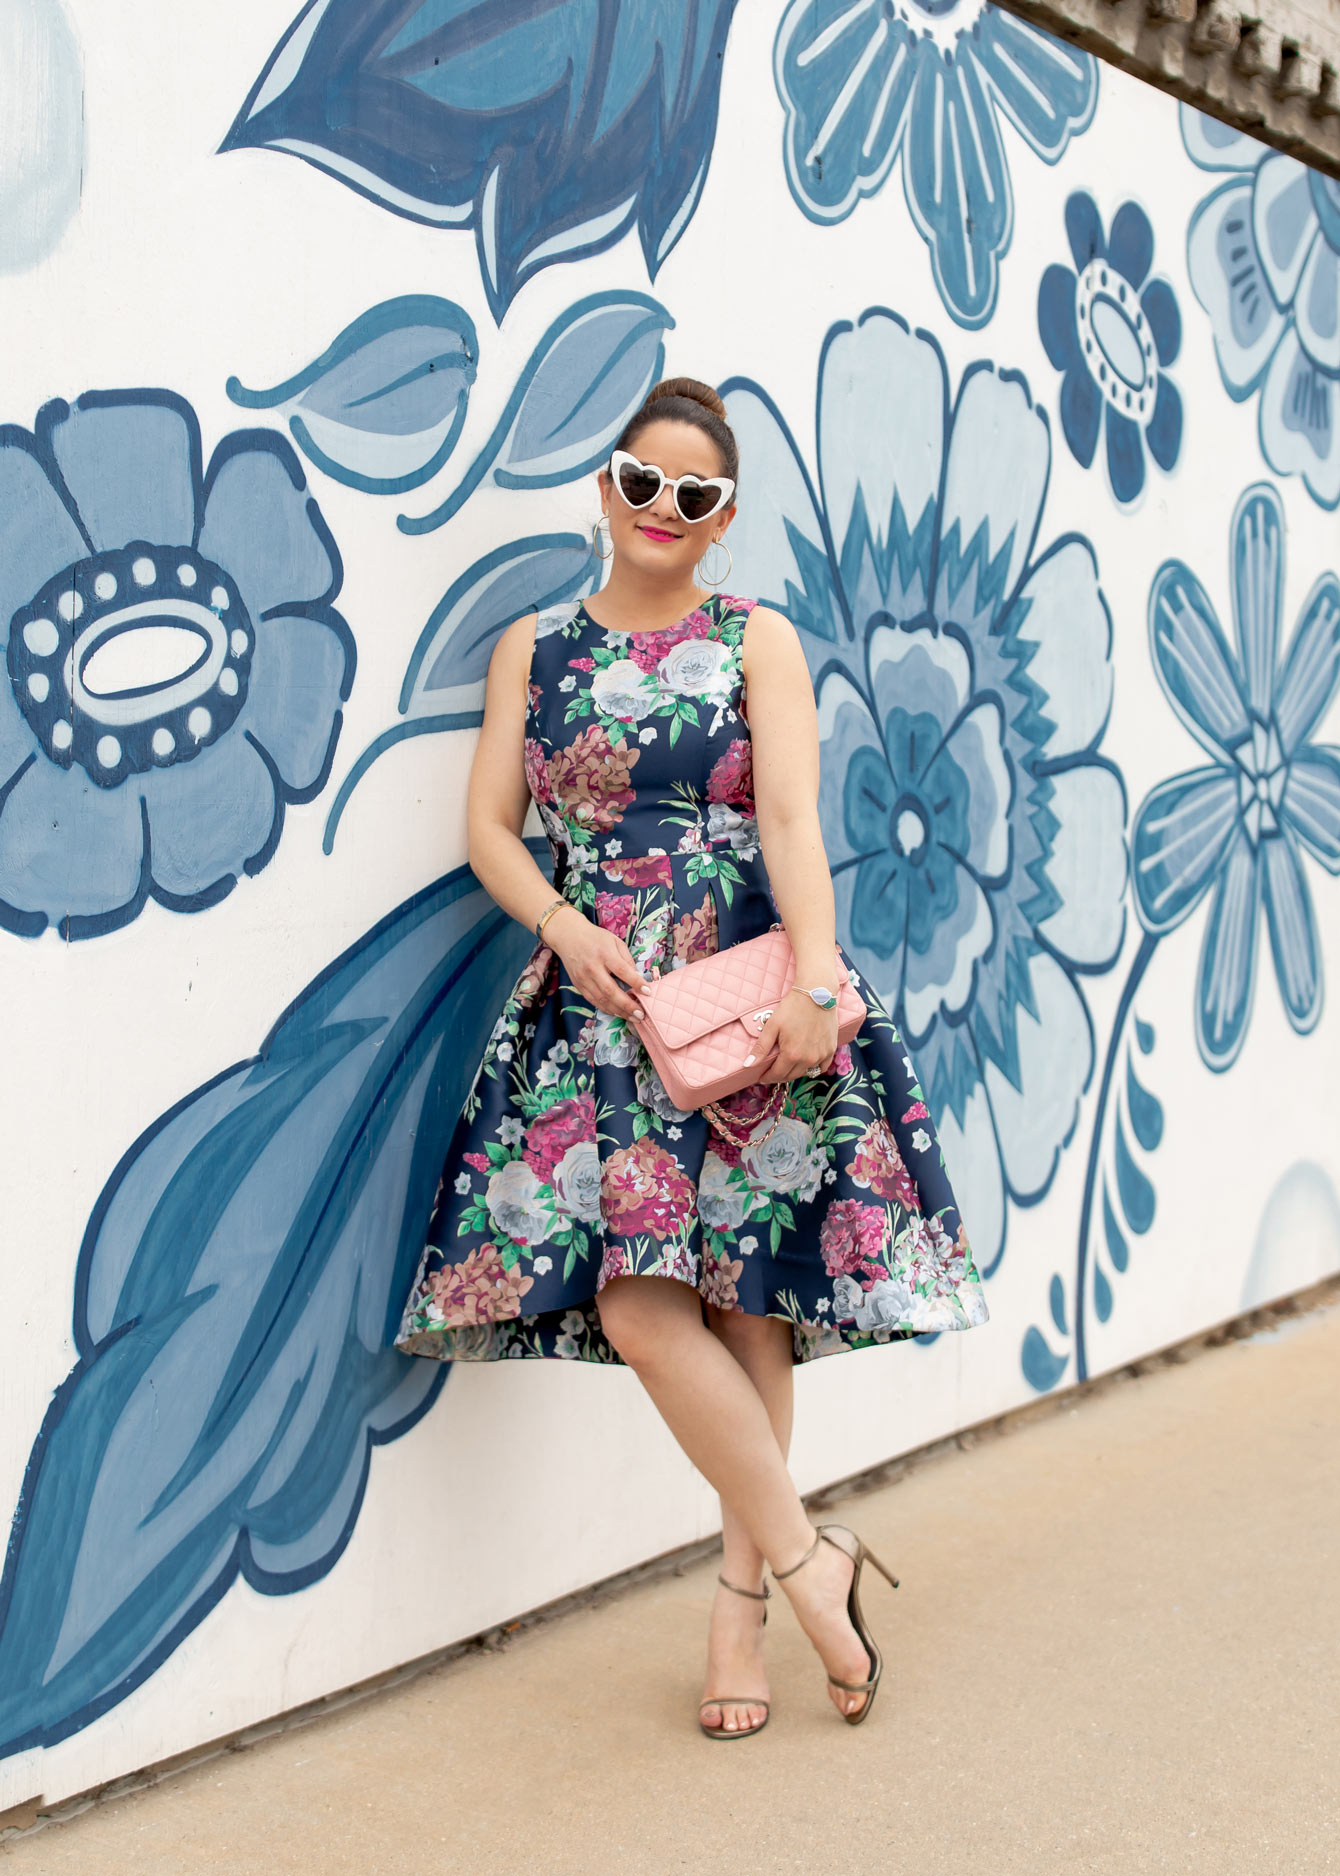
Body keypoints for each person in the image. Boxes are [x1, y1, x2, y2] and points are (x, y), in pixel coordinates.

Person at [396, 377, 989, 1738]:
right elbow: (493, 824)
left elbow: (788, 815)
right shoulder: (531, 651)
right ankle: (813, 1562)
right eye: (644, 483)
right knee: (639, 1300)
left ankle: (742, 1612)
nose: (666, 509)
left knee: (745, 1295)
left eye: (697, 496)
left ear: (721, 523)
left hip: (745, 986)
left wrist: (820, 983)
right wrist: (557, 920)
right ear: (607, 491)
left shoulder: (753, 640)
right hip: (601, 999)